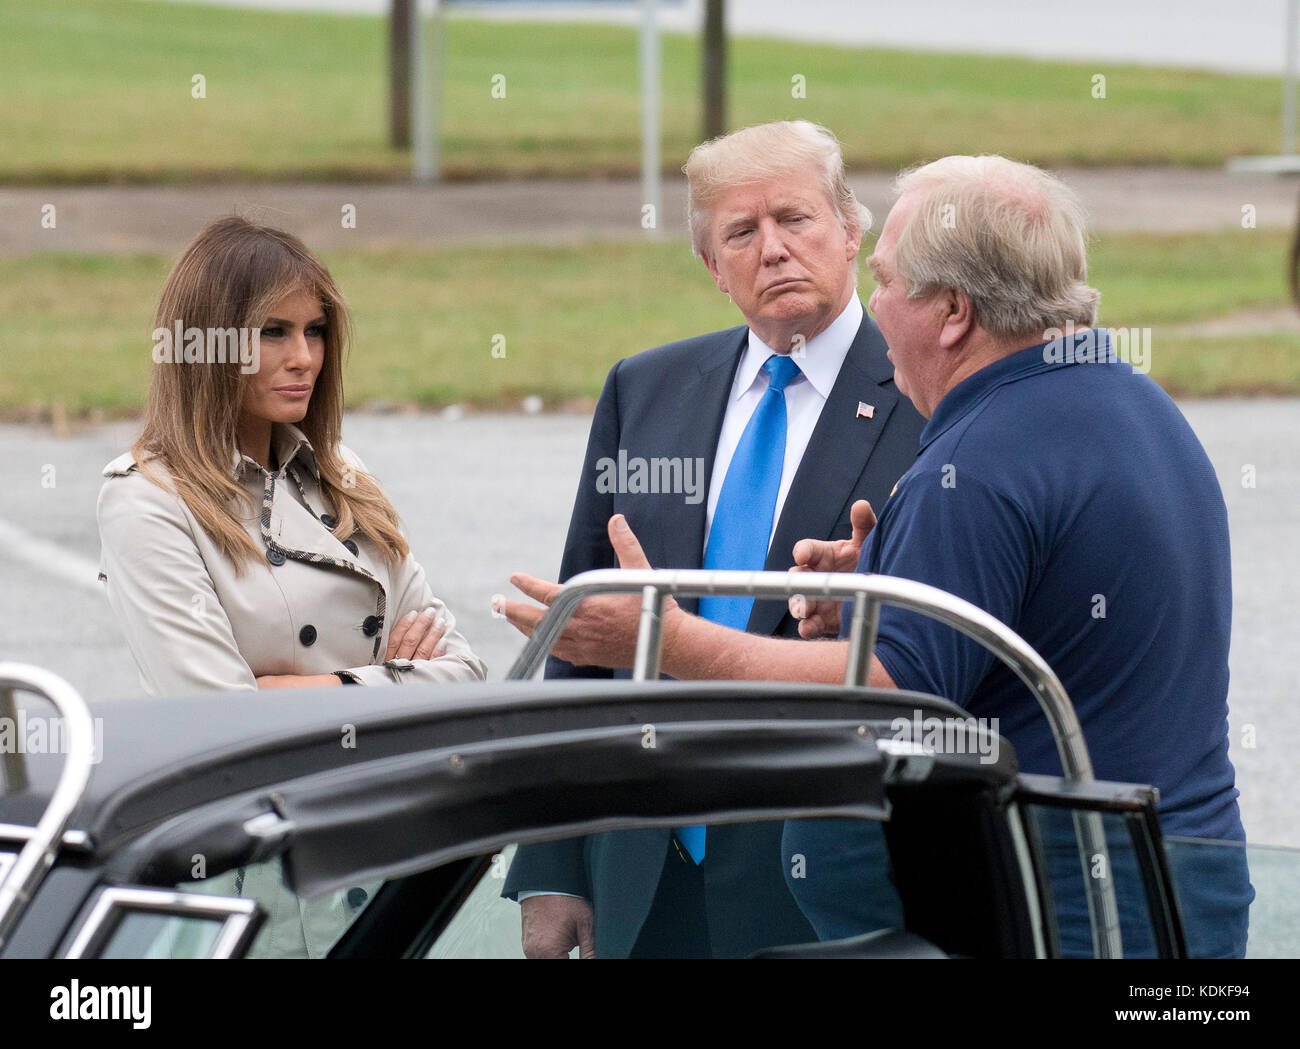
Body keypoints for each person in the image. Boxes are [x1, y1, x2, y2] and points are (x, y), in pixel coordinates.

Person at [504, 155, 1253, 958]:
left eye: (889, 282)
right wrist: (883, 591)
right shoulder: (1136, 403)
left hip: (1070, 910)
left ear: (955, 313)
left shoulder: (985, 460)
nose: (875, 304)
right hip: (1171, 887)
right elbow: (1039, 615)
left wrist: (664, 640)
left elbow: (896, 690)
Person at [500, 121, 926, 958]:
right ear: (712, 267)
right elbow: (583, 638)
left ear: (850, 230)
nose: (772, 249)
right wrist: (552, 861)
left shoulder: (925, 392)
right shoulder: (645, 389)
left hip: (827, 887)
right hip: (642, 874)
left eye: (795, 219)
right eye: (742, 231)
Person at [98, 216, 486, 696]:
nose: (304, 357)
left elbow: (465, 671)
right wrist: (396, 683)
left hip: (384, 767)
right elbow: (220, 715)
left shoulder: (342, 470)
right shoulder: (146, 500)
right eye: (273, 332)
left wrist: (311, 687)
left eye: (316, 330)